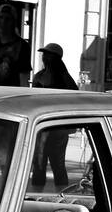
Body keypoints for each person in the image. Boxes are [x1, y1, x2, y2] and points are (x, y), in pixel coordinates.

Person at [32, 44, 79, 187]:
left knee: (58, 165)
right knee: (39, 164)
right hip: (41, 127)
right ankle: (36, 194)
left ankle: (62, 195)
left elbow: (74, 100)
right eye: (43, 54)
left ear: (56, 58)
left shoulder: (65, 79)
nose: (44, 57)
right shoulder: (39, 76)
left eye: (47, 54)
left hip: (58, 128)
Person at [0, 3, 31, 87]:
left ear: (13, 22)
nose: (3, 22)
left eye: (8, 19)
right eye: (0, 17)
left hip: (10, 95)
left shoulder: (22, 46)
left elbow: (24, 78)